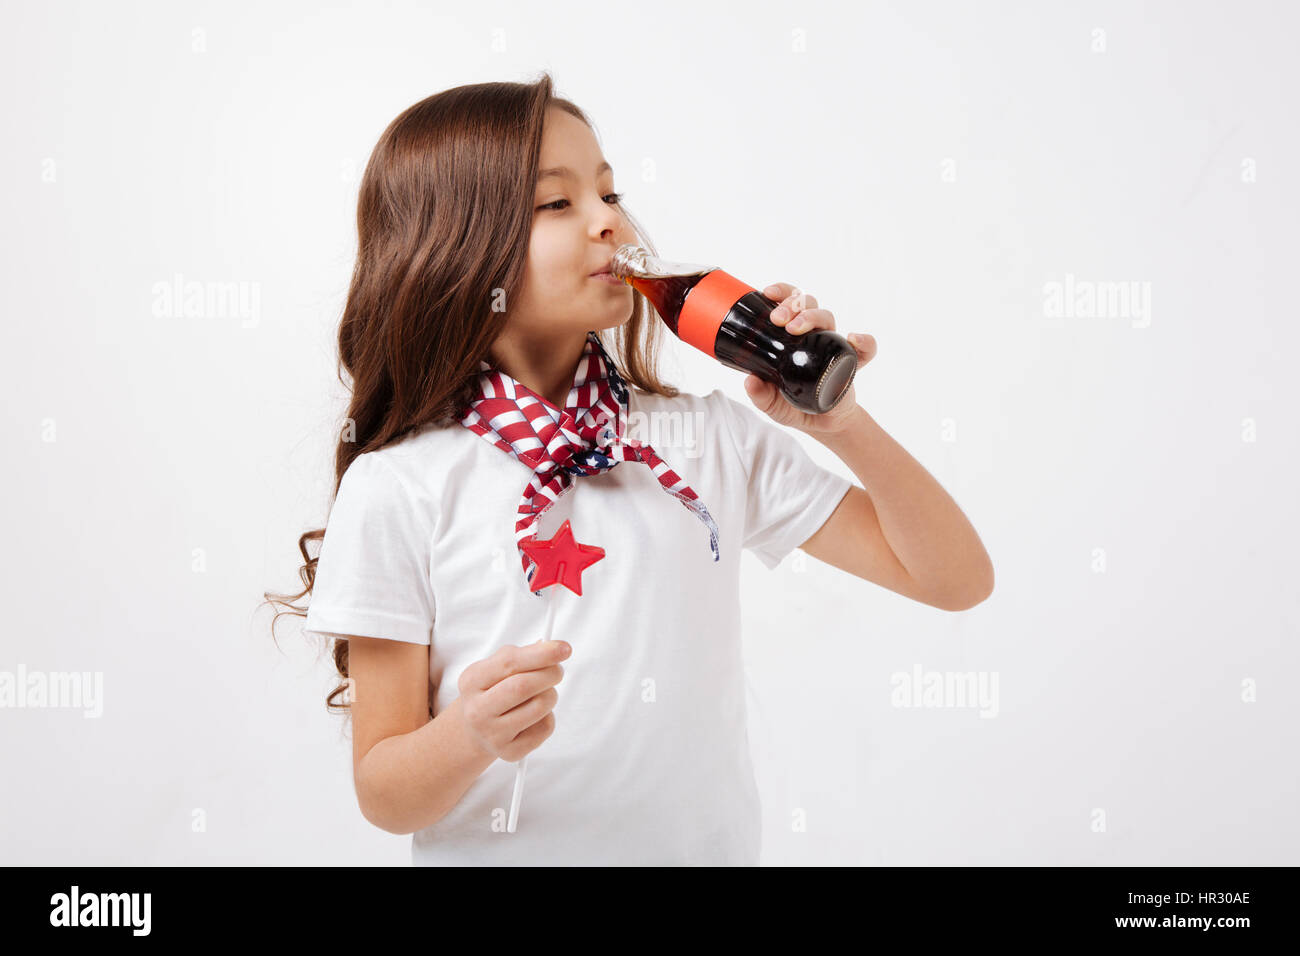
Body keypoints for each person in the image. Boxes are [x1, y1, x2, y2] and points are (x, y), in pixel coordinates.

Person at [265, 72, 994, 866]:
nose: (608, 221)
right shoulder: (399, 487)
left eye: (609, 194)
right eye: (558, 202)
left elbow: (955, 580)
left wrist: (841, 422)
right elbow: (384, 791)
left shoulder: (707, 440)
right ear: (457, 247)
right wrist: (466, 733)